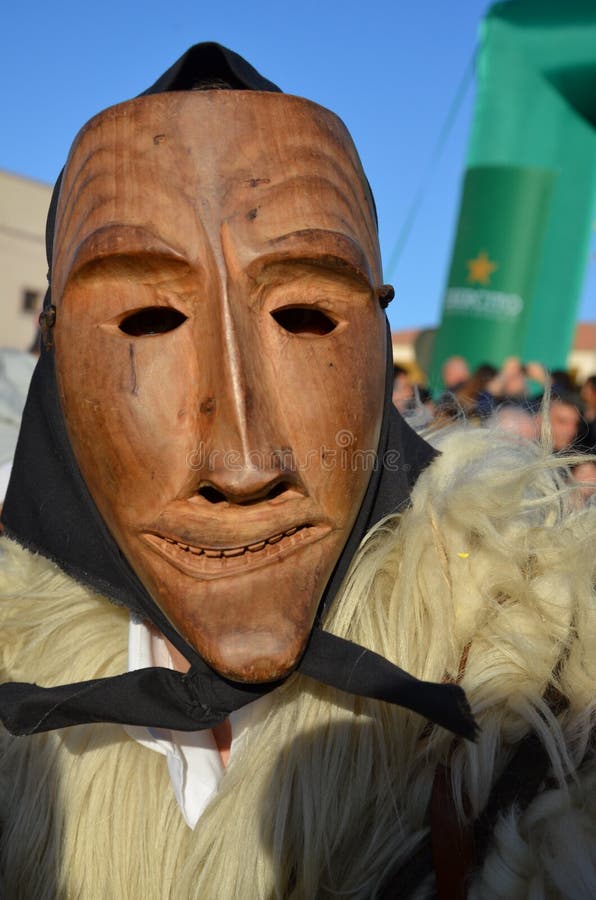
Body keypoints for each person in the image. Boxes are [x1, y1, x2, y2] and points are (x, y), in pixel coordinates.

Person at [1, 45, 595, 899]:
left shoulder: (545, 711)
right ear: (57, 365)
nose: (243, 464)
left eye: (305, 316)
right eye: (149, 319)